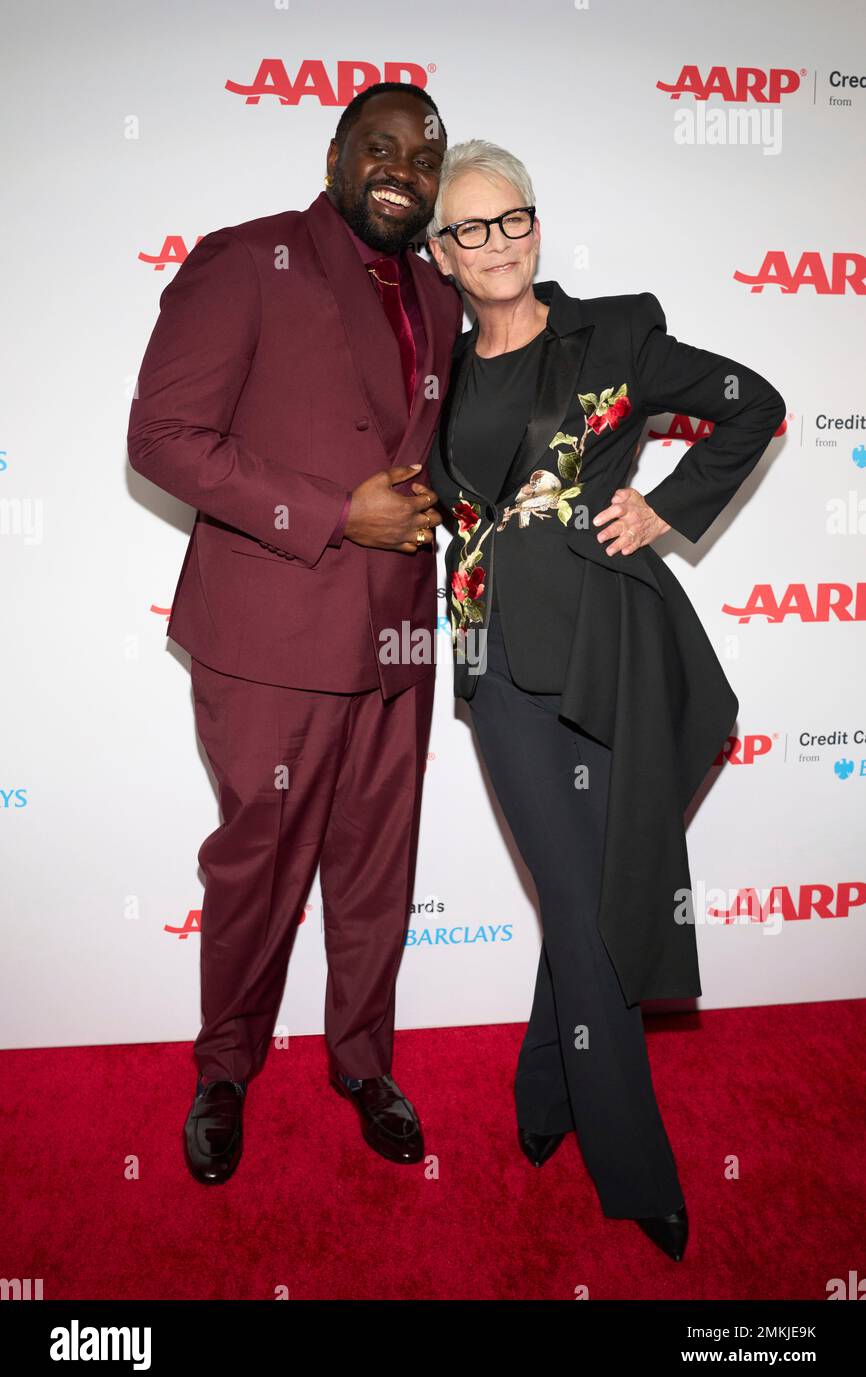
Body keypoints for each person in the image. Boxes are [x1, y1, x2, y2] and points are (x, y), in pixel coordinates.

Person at [426, 139, 785, 1261]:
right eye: (469, 228)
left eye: (512, 218)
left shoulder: (616, 332)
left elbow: (753, 401)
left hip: (618, 652)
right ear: (439, 253)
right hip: (500, 665)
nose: (496, 242)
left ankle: (544, 1091)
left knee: (593, 887)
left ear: (536, 225)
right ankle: (635, 1169)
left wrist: (666, 506)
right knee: (583, 903)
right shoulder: (427, 373)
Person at [127, 83, 463, 1184]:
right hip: (272, 635)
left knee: (377, 868)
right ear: (332, 155)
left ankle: (363, 1062)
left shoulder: (437, 292)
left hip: (399, 644)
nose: (399, 170)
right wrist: (332, 513)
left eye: (422, 157)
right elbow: (164, 438)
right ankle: (223, 1070)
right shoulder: (247, 260)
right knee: (257, 869)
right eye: (379, 146)